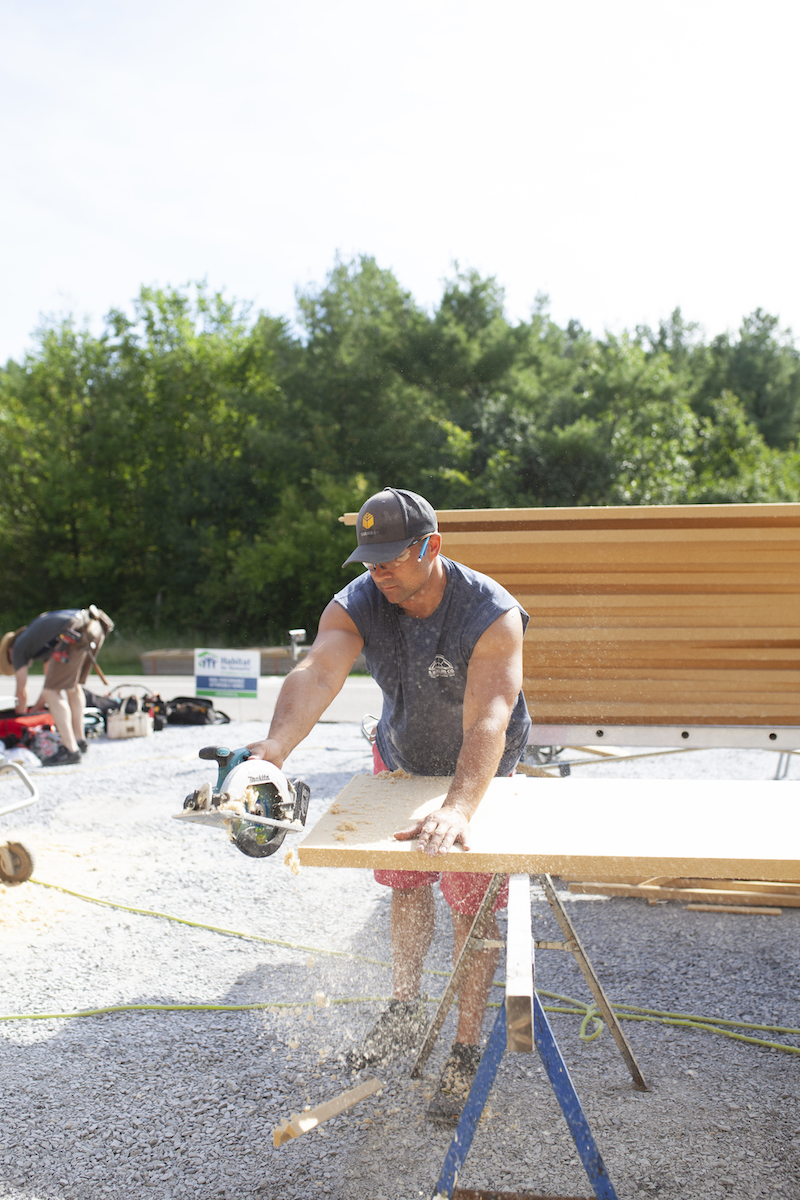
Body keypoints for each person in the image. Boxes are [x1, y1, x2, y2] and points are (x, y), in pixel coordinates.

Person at [248, 487, 531, 1124]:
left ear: (430, 546)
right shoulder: (360, 602)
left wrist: (459, 807)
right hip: (402, 754)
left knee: (470, 903)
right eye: (369, 559)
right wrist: (273, 750)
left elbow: (489, 717)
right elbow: (319, 671)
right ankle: (403, 1015)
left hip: (482, 767)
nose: (378, 572)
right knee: (405, 883)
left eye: (391, 559)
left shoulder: (491, 611)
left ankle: (463, 1050)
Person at [0, 606, 114, 766]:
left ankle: (71, 751)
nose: (15, 663)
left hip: (74, 633)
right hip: (93, 626)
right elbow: (51, 681)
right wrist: (34, 712)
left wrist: (22, 718)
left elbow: (22, 692)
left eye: (12, 662)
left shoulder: (18, 648)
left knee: (54, 693)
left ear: (9, 651)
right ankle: (79, 740)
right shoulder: (40, 638)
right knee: (72, 687)